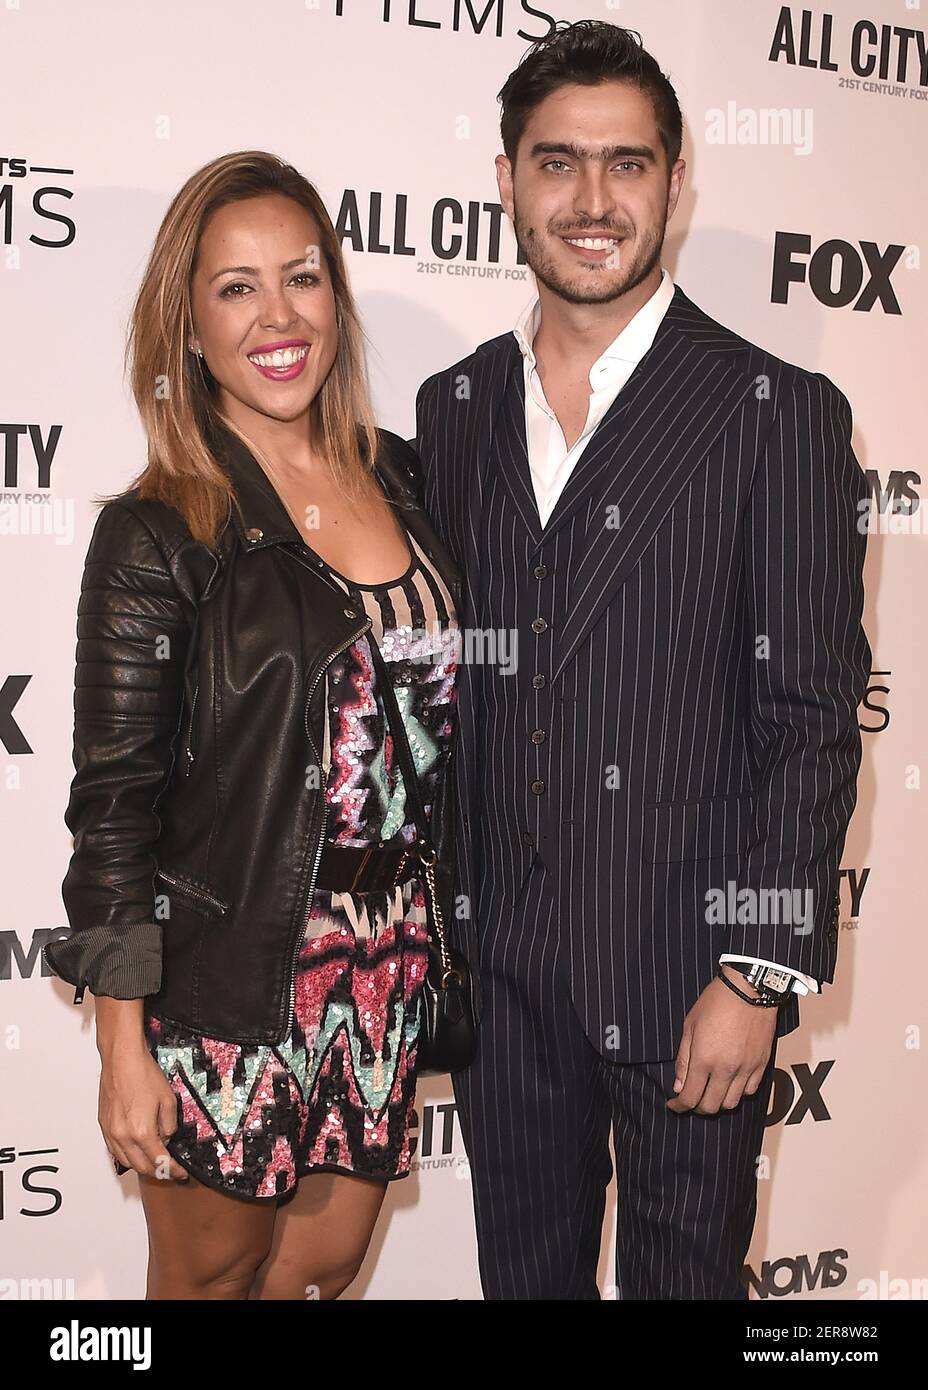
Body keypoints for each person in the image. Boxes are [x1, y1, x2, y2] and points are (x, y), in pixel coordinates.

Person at [412, 22, 871, 1299]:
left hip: (690, 977)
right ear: (504, 180)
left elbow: (812, 716)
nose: (593, 200)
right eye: (557, 162)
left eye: (627, 163)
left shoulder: (774, 411)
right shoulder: (448, 411)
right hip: (503, 984)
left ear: (674, 182)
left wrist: (754, 972)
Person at [44, 150, 462, 1300]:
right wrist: (123, 1048)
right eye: (235, 287)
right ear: (187, 322)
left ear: (337, 294)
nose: (277, 316)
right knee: (213, 1283)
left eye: (303, 277)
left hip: (379, 972)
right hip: (224, 987)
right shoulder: (161, 529)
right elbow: (114, 807)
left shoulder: (410, 482)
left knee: (319, 1275)